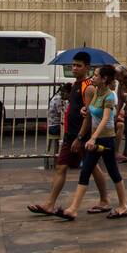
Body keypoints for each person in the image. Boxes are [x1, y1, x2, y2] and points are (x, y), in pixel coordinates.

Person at [29, 53, 113, 218]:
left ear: (87, 68)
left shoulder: (88, 87)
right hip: (70, 134)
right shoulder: (76, 84)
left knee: (93, 168)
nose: (74, 68)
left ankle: (105, 200)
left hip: (81, 136)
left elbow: (88, 115)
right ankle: (50, 204)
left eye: (78, 66)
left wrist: (80, 137)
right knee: (61, 167)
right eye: (73, 65)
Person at [61, 66, 127, 220]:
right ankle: (73, 208)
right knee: (85, 170)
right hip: (96, 137)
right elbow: (91, 111)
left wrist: (93, 138)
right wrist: (84, 111)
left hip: (106, 139)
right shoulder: (95, 92)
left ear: (104, 79)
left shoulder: (109, 96)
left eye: (96, 75)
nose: (93, 77)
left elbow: (106, 118)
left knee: (113, 172)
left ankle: (123, 205)